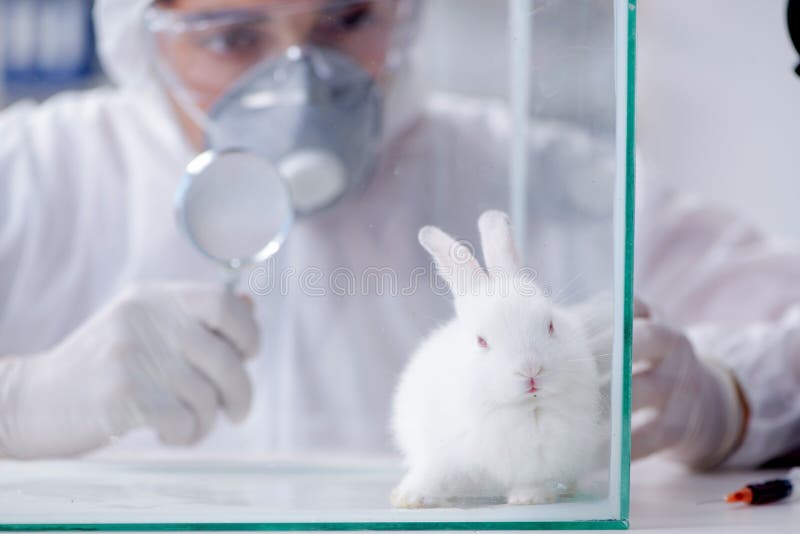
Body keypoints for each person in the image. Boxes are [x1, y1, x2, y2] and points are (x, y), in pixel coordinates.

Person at [0, 0, 798, 473]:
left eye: (346, 18)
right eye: (231, 36)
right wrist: (21, 401)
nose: (301, 74)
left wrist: (726, 400)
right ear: (142, 37)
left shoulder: (527, 175)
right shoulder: (38, 174)